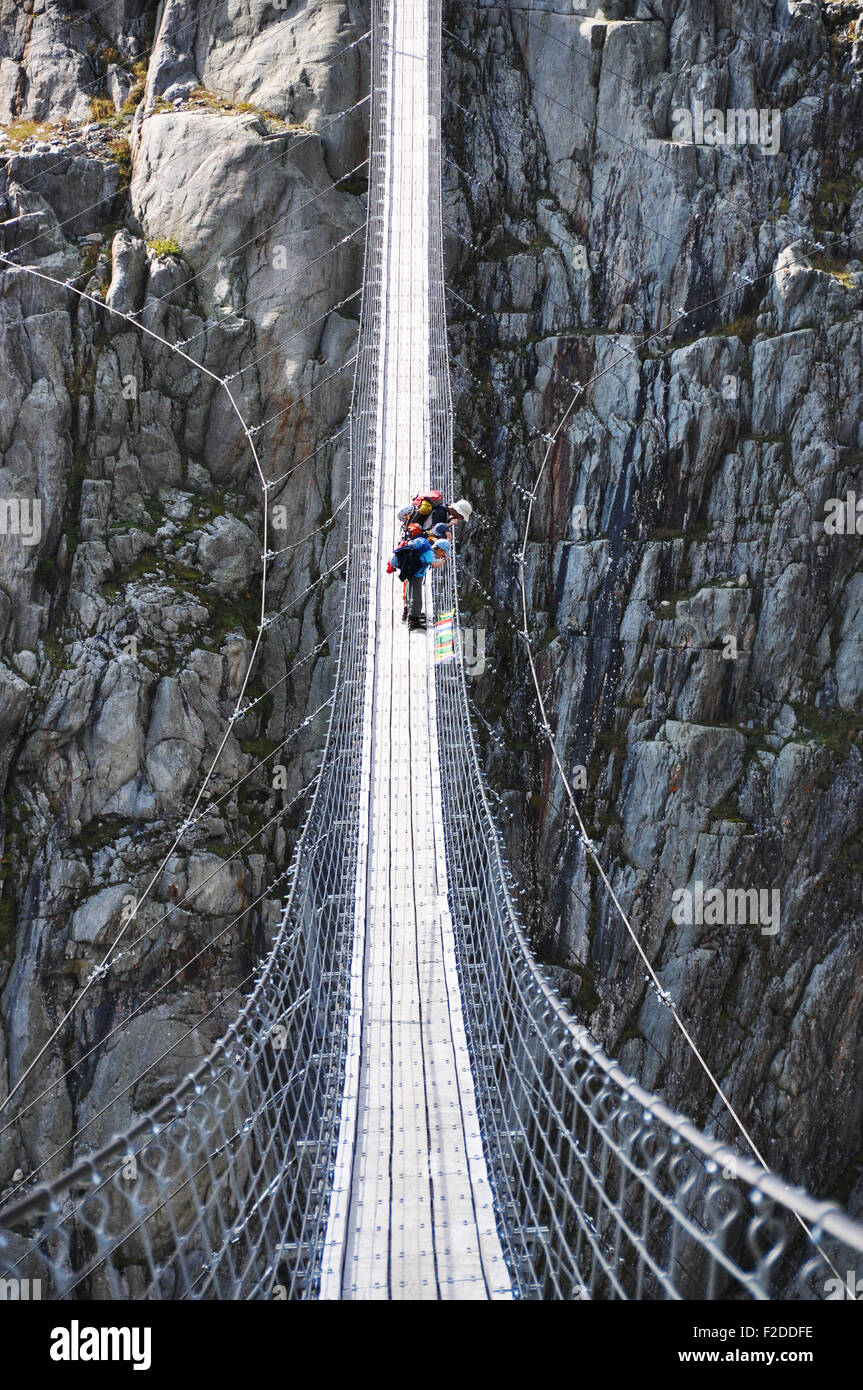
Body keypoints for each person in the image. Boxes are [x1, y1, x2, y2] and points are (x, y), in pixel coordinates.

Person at [387, 535, 450, 630]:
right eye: (443, 552)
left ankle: (409, 612)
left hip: (411, 572)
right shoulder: (429, 553)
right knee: (417, 598)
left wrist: (443, 557)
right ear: (440, 549)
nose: (443, 555)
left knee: (410, 593)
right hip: (416, 575)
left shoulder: (427, 549)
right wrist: (444, 560)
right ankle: (413, 621)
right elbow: (435, 565)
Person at [398, 493, 473, 539]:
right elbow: (434, 531)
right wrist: (450, 524)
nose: (460, 518)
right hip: (418, 532)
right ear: (458, 512)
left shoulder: (444, 508)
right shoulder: (441, 513)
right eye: (461, 516)